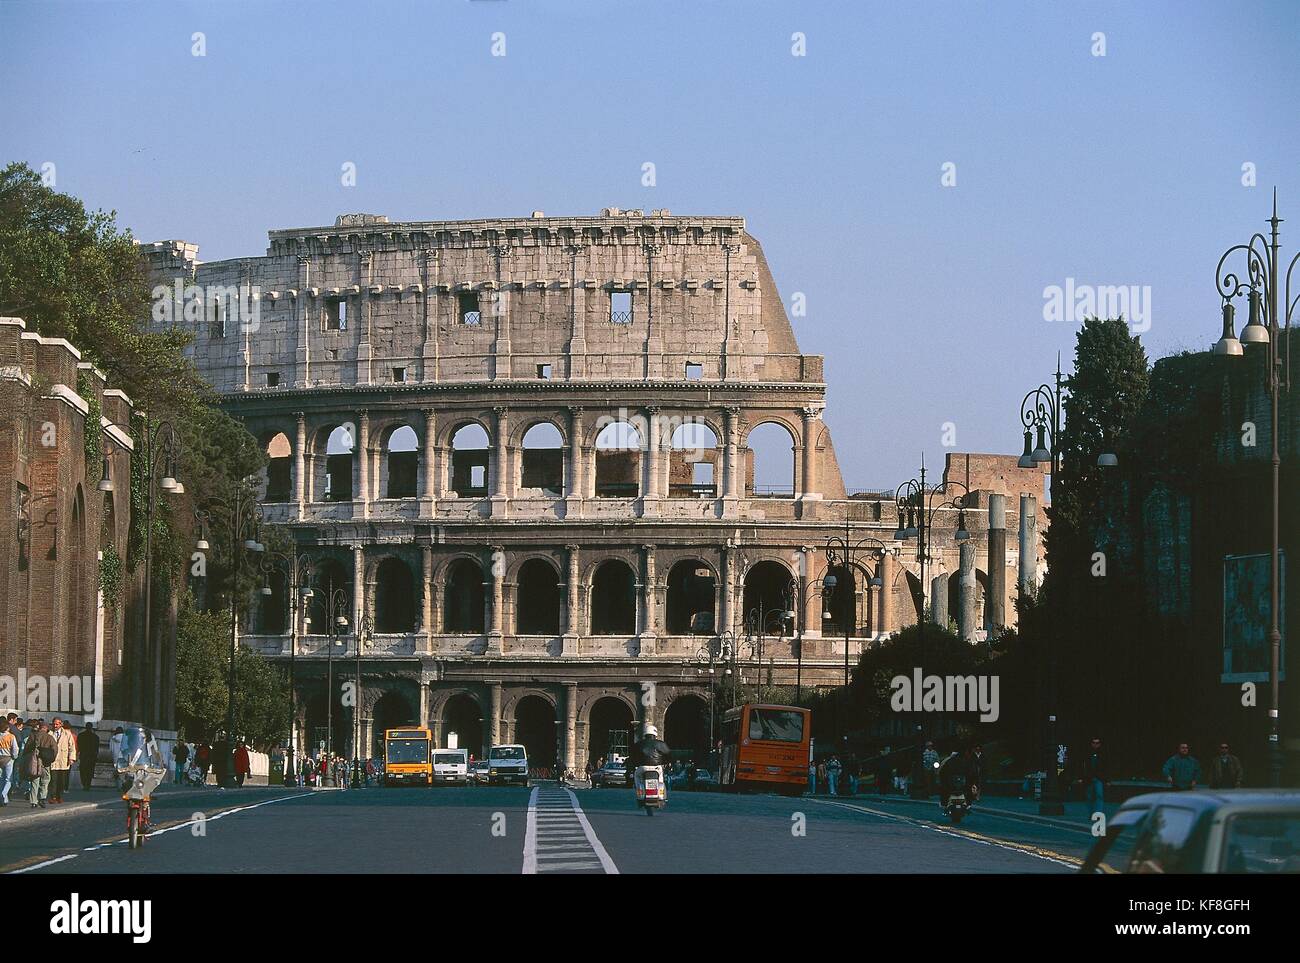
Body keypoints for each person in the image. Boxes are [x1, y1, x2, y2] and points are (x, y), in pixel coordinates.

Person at [625, 725, 673, 802]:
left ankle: (640, 793)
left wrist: (634, 765)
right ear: (655, 734)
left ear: (645, 734)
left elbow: (633, 756)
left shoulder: (639, 744)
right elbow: (669, 754)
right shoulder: (661, 744)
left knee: (637, 778)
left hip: (643, 767)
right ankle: (660, 795)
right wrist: (666, 763)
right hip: (657, 767)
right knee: (660, 780)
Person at [24, 721, 57, 808]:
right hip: (46, 762)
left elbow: (27, 748)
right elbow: (55, 749)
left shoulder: (33, 735)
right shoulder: (50, 737)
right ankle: (42, 798)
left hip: (35, 761)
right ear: (46, 728)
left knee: (35, 780)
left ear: (40, 727)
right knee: (45, 780)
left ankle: (33, 801)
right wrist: (51, 759)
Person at [48, 717, 77, 804]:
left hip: (63, 759)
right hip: (53, 760)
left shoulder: (67, 734)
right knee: (53, 779)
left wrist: (71, 758)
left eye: (57, 724)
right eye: (54, 724)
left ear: (61, 724)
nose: (55, 725)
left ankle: (59, 796)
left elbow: (72, 747)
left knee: (61, 780)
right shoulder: (50, 733)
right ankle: (53, 796)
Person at [1079, 737, 1106, 815]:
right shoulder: (1087, 754)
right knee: (1089, 797)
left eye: (1097, 743)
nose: (1095, 745)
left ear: (1099, 744)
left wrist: (1107, 779)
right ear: (1091, 744)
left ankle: (1097, 813)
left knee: (1099, 795)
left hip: (1098, 777)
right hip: (1089, 778)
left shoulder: (1102, 754)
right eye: (1094, 743)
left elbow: (1105, 767)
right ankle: (1091, 813)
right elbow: (1083, 766)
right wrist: (1081, 777)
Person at [76, 722, 100, 791]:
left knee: (83, 771)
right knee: (90, 771)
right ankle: (87, 784)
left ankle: (84, 784)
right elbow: (96, 748)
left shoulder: (81, 735)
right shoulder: (95, 737)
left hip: (84, 755)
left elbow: (79, 746)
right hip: (91, 756)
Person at [0, 720, 17, 806]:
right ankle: (3, 794)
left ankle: (5, 800)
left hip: (0, 758)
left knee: (2, 778)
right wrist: (15, 757)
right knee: (9, 779)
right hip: (8, 759)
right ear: (7, 728)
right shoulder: (11, 736)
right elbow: (15, 749)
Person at [109, 726, 125, 791]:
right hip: (123, 757)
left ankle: (118, 785)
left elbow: (111, 749)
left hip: (115, 757)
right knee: (123, 772)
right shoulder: (125, 738)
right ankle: (122, 785)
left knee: (117, 771)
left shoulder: (113, 739)